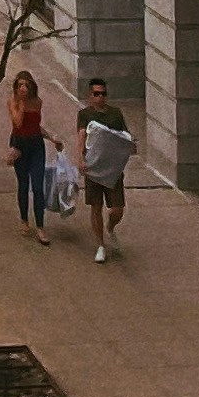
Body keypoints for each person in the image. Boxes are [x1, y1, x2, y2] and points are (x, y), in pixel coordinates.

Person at [79, 80, 134, 261]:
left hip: (112, 168)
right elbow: (81, 136)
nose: (100, 97)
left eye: (102, 93)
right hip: (94, 166)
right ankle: (100, 244)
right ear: (90, 96)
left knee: (117, 208)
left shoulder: (115, 114)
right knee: (96, 206)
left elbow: (124, 136)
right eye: (96, 94)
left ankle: (110, 226)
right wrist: (80, 159)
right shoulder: (85, 114)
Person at [6, 70, 53, 237]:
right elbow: (18, 123)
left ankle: (40, 225)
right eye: (20, 85)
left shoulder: (38, 102)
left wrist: (52, 139)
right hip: (20, 145)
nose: (23, 88)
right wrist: (22, 104)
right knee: (23, 185)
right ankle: (24, 220)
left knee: (38, 186)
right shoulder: (13, 102)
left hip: (36, 145)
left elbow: (36, 126)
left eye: (26, 85)